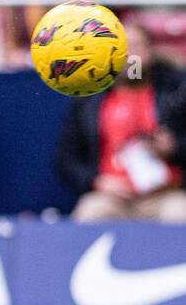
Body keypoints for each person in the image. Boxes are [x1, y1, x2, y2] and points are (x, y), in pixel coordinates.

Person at [55, 23, 186, 222]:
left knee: (180, 213)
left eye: (136, 46)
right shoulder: (88, 100)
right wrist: (96, 181)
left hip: (165, 196)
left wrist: (175, 147)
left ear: (151, 51)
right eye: (120, 48)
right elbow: (66, 160)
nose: (129, 55)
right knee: (90, 213)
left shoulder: (176, 92)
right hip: (111, 198)